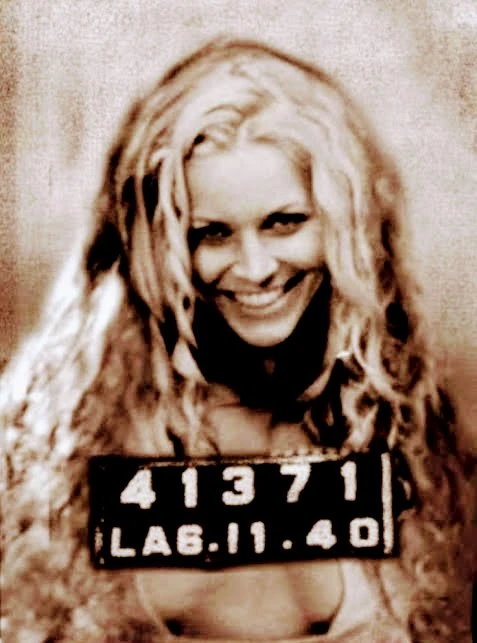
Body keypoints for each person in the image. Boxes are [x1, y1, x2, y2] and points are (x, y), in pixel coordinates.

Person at [2, 38, 475, 642]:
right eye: (212, 234)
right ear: (162, 246)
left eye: (285, 223)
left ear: (346, 226)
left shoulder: (412, 428)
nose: (254, 269)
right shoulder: (63, 439)